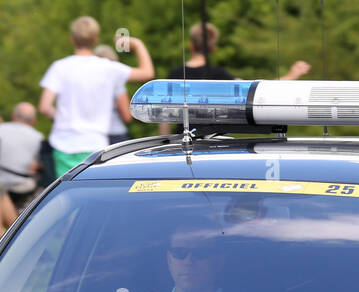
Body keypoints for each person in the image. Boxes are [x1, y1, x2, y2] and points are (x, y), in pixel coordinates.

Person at [38, 217, 272, 292]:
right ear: (168, 259)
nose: (189, 261)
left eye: (200, 253)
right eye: (180, 252)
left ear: (219, 260)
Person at [38, 16, 153, 176]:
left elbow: (44, 107)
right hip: (94, 144)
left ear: (72, 39)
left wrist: (64, 118)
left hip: (63, 142)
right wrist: (137, 44)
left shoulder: (59, 67)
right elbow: (147, 72)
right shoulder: (108, 68)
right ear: (95, 40)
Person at [157, 23, 311, 133]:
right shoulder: (220, 75)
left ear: (191, 46)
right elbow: (256, 91)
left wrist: (165, 140)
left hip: (181, 140)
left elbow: (163, 116)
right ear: (213, 49)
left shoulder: (174, 75)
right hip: (213, 140)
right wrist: (292, 75)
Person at [0, 100, 45, 196]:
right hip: (21, 186)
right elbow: (36, 165)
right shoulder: (38, 137)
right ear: (34, 121)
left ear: (13, 116)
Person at [92, 44, 132, 144]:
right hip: (115, 134)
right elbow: (127, 116)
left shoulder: (86, 83)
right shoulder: (116, 83)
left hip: (92, 133)